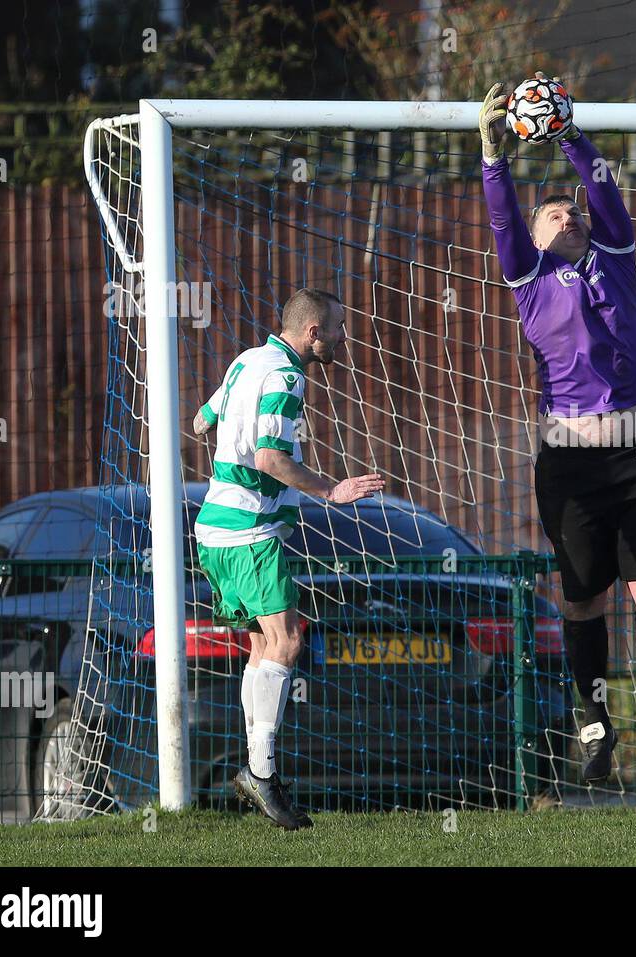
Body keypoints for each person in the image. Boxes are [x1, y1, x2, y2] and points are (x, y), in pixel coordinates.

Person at [478, 75, 636, 783]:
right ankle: (595, 723)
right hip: (570, 458)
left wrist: (571, 136)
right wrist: (493, 158)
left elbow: (601, 189)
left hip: (635, 449)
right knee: (581, 594)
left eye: (571, 213)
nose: (566, 217)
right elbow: (505, 222)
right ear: (538, 242)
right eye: (553, 217)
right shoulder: (530, 278)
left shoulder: (617, 259)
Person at [192, 288, 385, 829]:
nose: (344, 338)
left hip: (214, 529)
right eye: (339, 329)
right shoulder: (287, 378)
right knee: (289, 640)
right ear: (312, 334)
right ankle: (262, 772)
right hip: (250, 532)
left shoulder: (246, 360)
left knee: (261, 645)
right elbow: (271, 457)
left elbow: (200, 421)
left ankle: (257, 768)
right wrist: (330, 490)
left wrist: (227, 434)